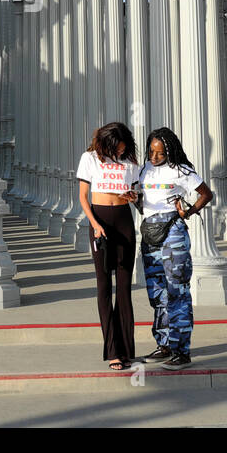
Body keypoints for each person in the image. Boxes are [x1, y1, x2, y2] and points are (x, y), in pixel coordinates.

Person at [133, 127, 213, 370]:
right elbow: (145, 205)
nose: (155, 157)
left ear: (169, 150)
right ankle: (164, 345)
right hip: (150, 234)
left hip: (173, 234)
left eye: (159, 153)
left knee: (177, 291)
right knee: (157, 293)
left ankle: (182, 351)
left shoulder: (181, 170)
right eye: (151, 152)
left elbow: (206, 194)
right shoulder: (145, 169)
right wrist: (134, 199)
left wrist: (188, 212)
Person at [77, 122, 141, 370]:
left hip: (124, 220)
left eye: (124, 149)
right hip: (100, 221)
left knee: (124, 288)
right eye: (118, 148)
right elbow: (83, 196)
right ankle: (112, 350)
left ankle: (126, 349)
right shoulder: (90, 158)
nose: (121, 153)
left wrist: (134, 197)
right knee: (104, 285)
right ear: (108, 143)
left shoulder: (130, 162)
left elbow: (135, 193)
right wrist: (94, 224)